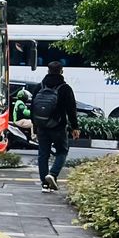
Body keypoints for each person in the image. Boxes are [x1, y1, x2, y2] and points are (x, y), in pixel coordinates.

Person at [31, 61, 80, 192]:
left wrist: (35, 126)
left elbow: (32, 108)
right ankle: (52, 174)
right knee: (62, 151)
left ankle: (45, 185)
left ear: (48, 71)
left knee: (43, 155)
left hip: (41, 126)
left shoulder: (38, 87)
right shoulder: (65, 88)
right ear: (61, 71)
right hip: (58, 127)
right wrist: (75, 127)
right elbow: (71, 110)